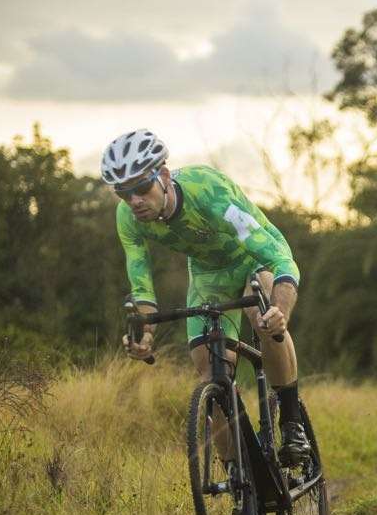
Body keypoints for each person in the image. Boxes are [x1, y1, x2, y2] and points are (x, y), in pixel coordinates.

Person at [103, 128, 309, 466]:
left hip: (254, 259)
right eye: (123, 192)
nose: (134, 200)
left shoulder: (207, 191)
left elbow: (278, 258)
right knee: (211, 376)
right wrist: (146, 333)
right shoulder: (128, 217)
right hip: (208, 277)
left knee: (264, 319)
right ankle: (240, 480)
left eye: (141, 187)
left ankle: (291, 423)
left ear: (163, 176)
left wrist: (280, 308)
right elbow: (141, 282)